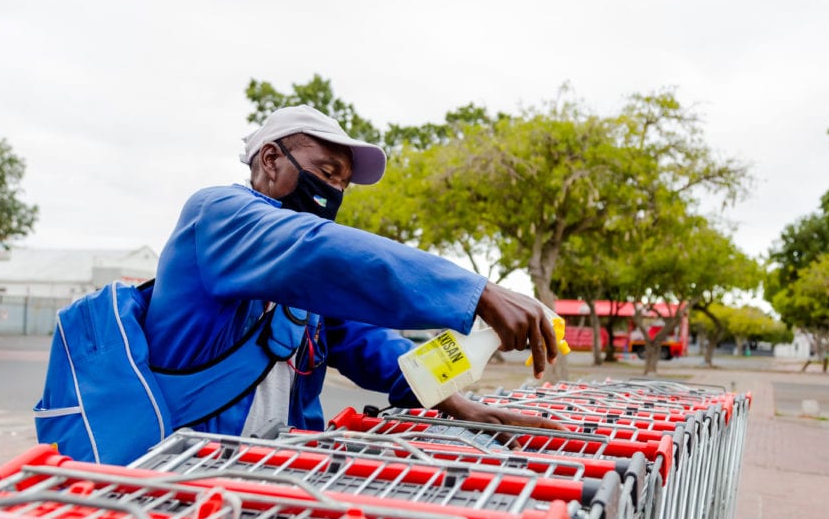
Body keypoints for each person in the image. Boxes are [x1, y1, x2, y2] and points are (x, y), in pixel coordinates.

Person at [143, 104, 565, 439]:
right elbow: (321, 251)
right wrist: (478, 294)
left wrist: (455, 403)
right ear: (270, 159)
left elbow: (373, 348)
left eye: (343, 185)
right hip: (187, 476)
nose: (334, 192)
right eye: (326, 174)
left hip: (273, 479)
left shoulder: (303, 292)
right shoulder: (219, 215)